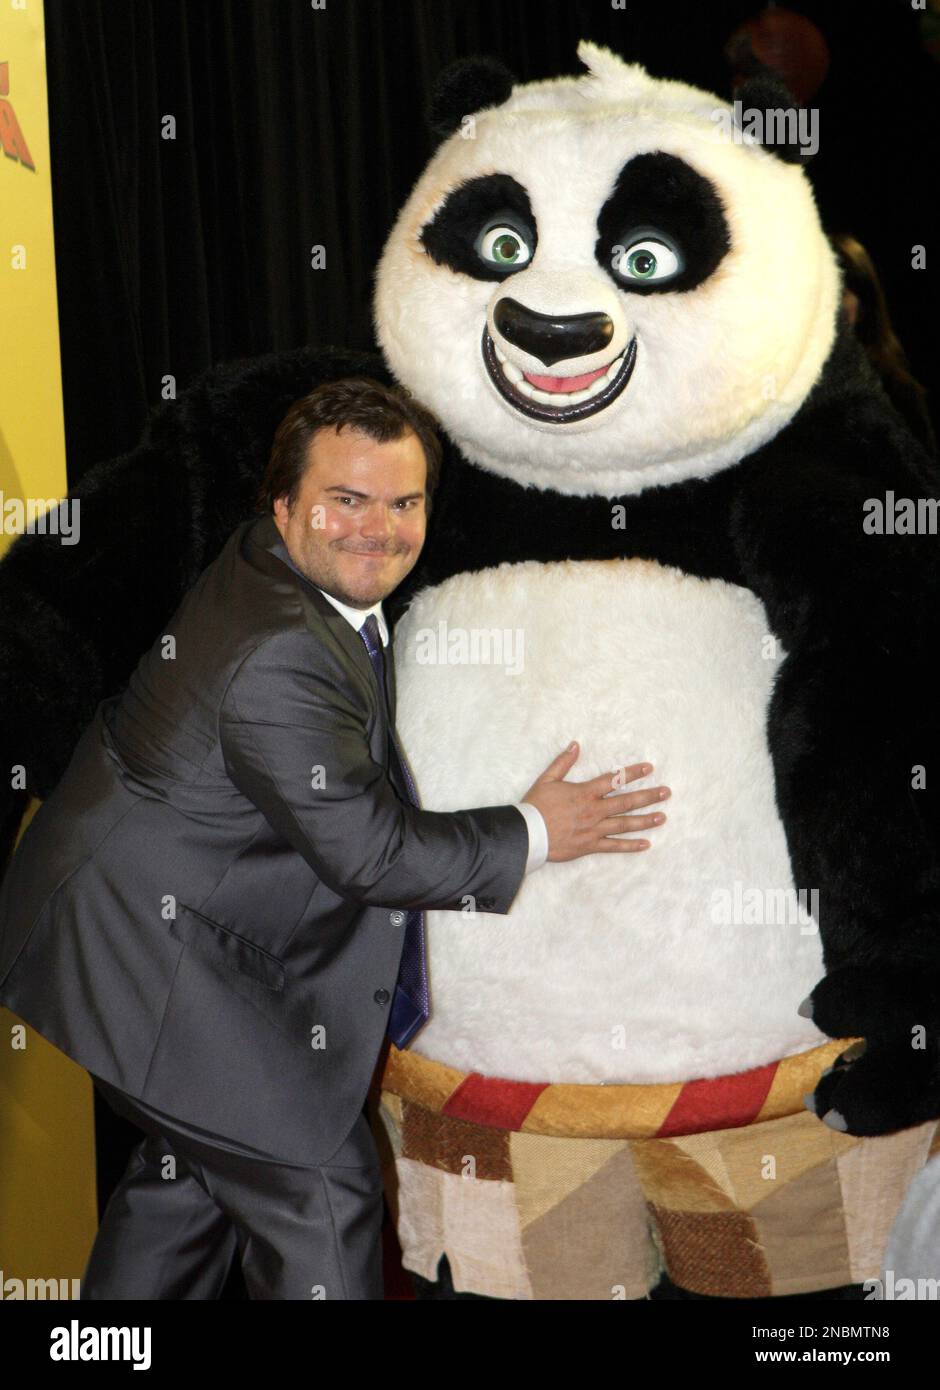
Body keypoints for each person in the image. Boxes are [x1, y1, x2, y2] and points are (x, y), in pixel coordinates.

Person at [0, 376, 670, 1300]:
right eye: (345, 501)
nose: (379, 530)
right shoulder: (278, 644)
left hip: (153, 924)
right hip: (140, 952)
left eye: (404, 502)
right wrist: (535, 829)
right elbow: (370, 854)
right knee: (322, 1188)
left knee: (184, 1186)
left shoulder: (294, 578)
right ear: (284, 507)